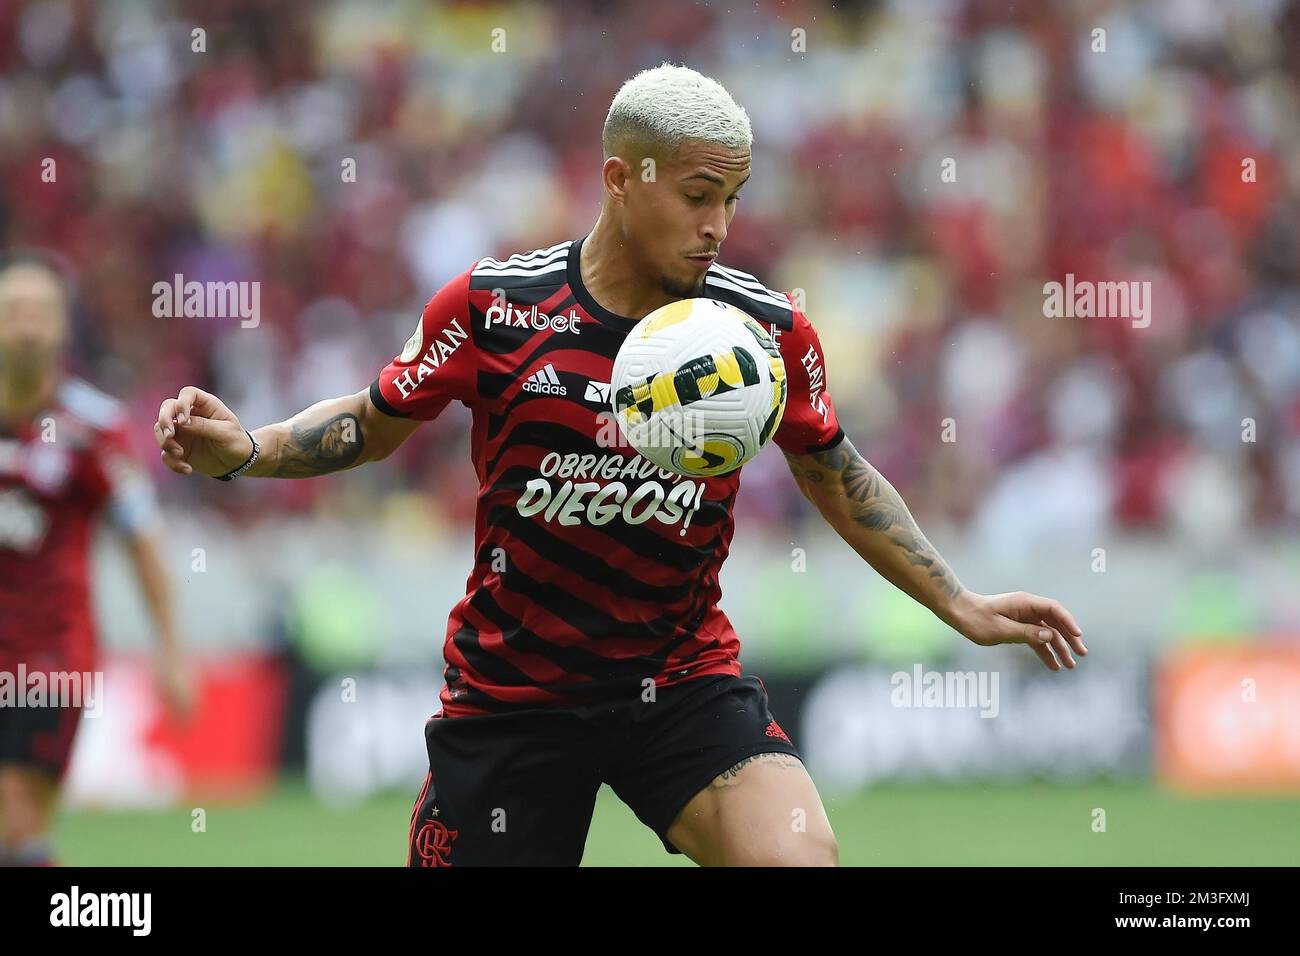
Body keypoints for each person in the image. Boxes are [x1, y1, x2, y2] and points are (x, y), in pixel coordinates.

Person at [153, 64, 1084, 867]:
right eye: (696, 195)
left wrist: (957, 601)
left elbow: (833, 470)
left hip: (677, 677)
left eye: (733, 196)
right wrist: (250, 450)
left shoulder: (761, 334)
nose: (718, 223)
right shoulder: (495, 310)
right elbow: (371, 420)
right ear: (619, 179)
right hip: (514, 690)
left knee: (798, 853)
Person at [0, 251, 193, 867]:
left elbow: (142, 540)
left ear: (63, 326)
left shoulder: (95, 428)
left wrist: (171, 649)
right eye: (13, 311)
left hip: (49, 658)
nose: (27, 324)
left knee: (15, 816)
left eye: (41, 311)